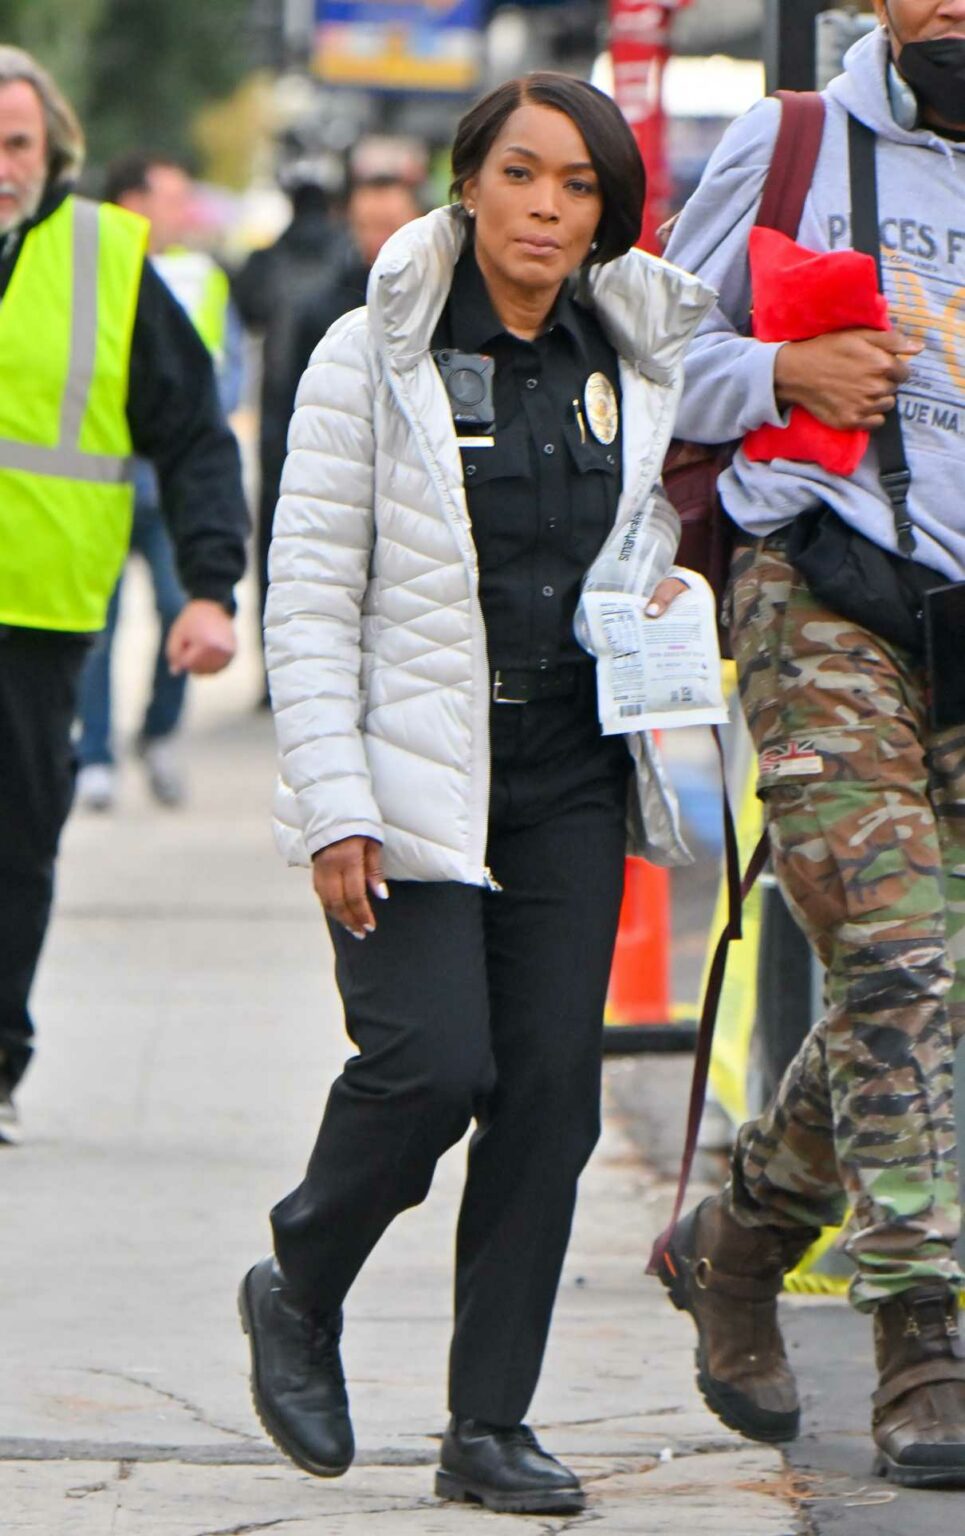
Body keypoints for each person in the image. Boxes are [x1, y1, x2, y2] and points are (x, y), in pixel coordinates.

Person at [237, 72, 712, 1516]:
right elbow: (310, 600)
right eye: (523, 174)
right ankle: (298, 1280)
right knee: (433, 1068)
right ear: (467, 182)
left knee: (551, 1103)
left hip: (567, 776)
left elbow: (628, 558)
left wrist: (660, 604)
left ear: (605, 211)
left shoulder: (629, 357)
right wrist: (335, 803)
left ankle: (485, 1426)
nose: (549, 208)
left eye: (578, 185)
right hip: (410, 778)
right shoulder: (364, 359)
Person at [658, 1, 965, 1490]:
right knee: (898, 958)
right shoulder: (791, 143)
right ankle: (919, 1331)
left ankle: (741, 1236)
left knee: (934, 977)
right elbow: (651, 354)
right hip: (826, 584)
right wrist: (780, 378)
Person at [0, 50, 247, 1143]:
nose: (1, 165)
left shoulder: (107, 259)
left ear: (55, 150)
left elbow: (193, 434)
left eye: (15, 144)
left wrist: (209, 586)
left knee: (13, 849)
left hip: (37, 616)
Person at [74, 152, 243, 811]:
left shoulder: (201, 272)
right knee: (99, 629)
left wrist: (197, 423)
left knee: (185, 609)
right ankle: (94, 756)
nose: (184, 213)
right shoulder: (86, 266)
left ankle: (159, 734)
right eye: (171, 198)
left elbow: (222, 369)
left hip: (175, 479)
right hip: (100, 485)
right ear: (132, 200)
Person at [232, 149, 348, 631]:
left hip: (280, 413)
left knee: (275, 538)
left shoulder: (267, 259)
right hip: (343, 412)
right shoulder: (348, 256)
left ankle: (270, 653)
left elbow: (247, 309)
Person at [285, 175, 423, 421]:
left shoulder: (442, 303)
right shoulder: (323, 311)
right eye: (366, 225)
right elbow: (291, 401)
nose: (379, 238)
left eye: (389, 226)